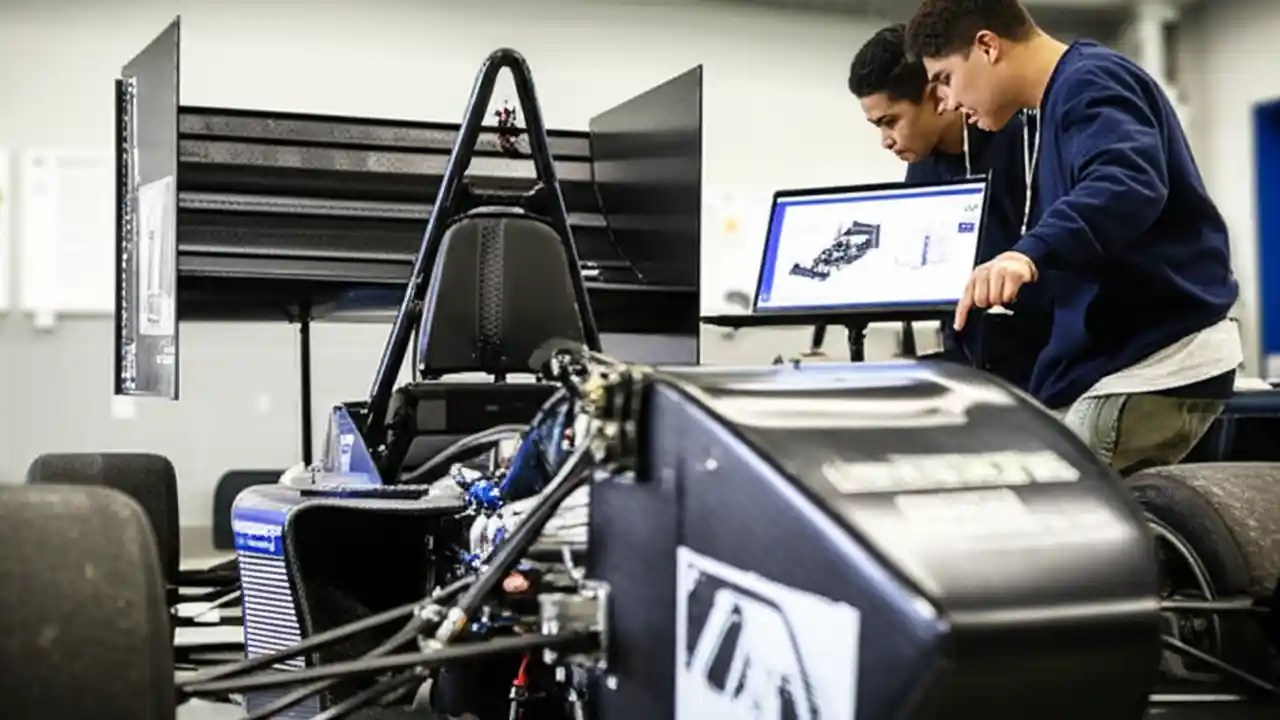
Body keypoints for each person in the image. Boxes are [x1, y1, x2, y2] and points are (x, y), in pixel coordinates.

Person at [905, 0, 1241, 473]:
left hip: (1153, 359)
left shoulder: (1092, 81)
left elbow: (1126, 181)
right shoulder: (1050, 110)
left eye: (944, 78)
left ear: (987, 46)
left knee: (1045, 495)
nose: (947, 102)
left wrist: (1027, 256)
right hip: (1112, 361)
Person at [847, 23, 1049, 391]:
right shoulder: (921, 166)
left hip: (1047, 366)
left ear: (937, 95)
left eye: (890, 122)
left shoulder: (1026, 141)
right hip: (972, 365)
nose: (885, 142)